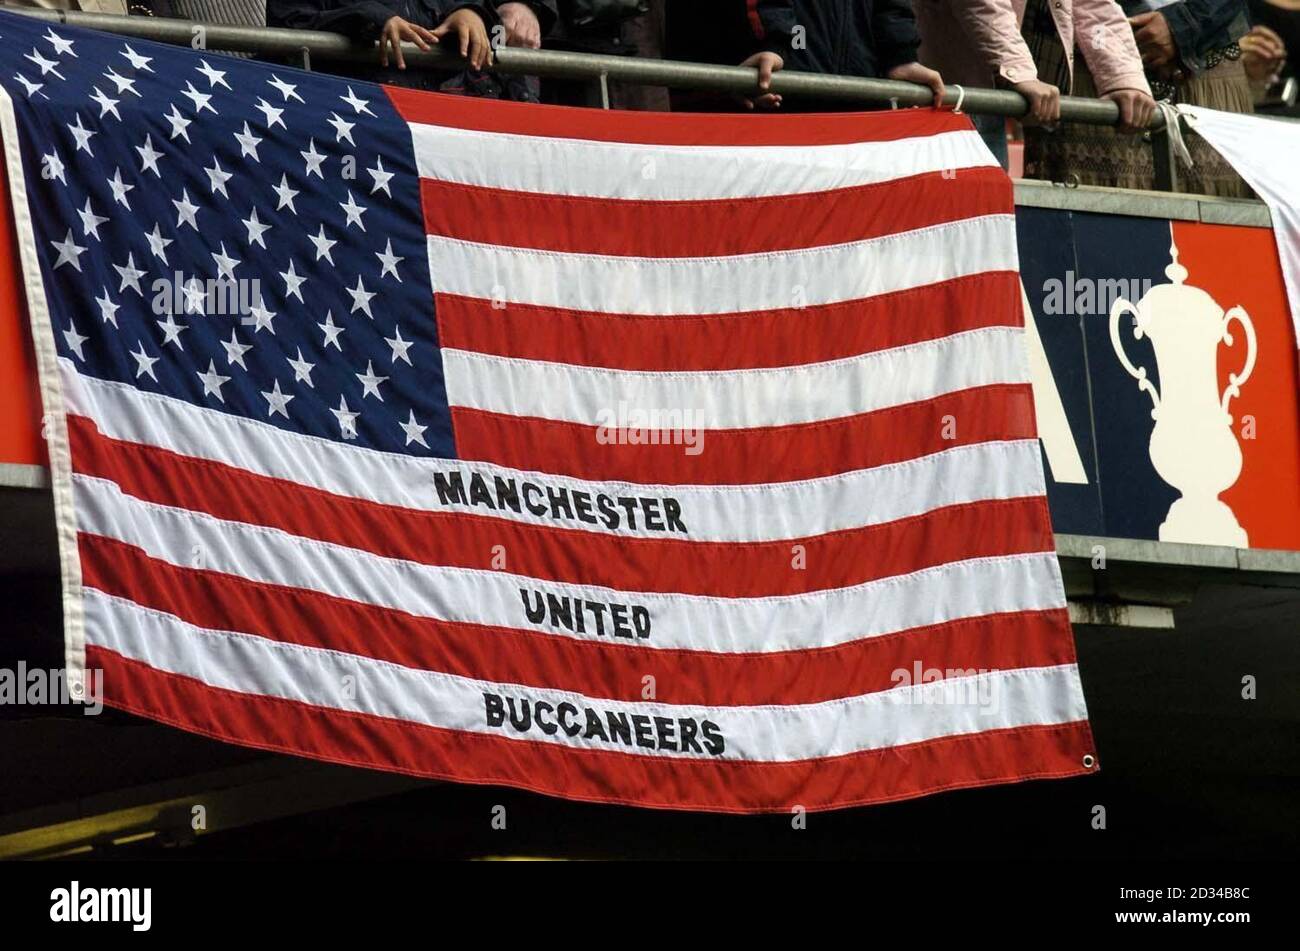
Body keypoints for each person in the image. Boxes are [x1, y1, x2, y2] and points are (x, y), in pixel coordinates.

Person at [1020, 0, 1255, 195]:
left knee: (1220, 230)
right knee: (1094, 226)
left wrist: (1185, 24)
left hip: (1209, 60)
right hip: (1090, 55)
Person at [914, 0, 1154, 166]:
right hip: (939, 94)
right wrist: (1020, 73)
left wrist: (1124, 79)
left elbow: (1093, 7)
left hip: (984, 100)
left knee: (985, 220)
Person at [666, 0, 944, 112]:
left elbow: (891, 5)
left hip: (860, 96)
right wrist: (777, 45)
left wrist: (901, 57)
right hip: (785, 92)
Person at [267, 1, 557, 99]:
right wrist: (374, 21)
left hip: (441, 134)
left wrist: (473, 15)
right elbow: (288, 27)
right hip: (356, 121)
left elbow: (495, 41)